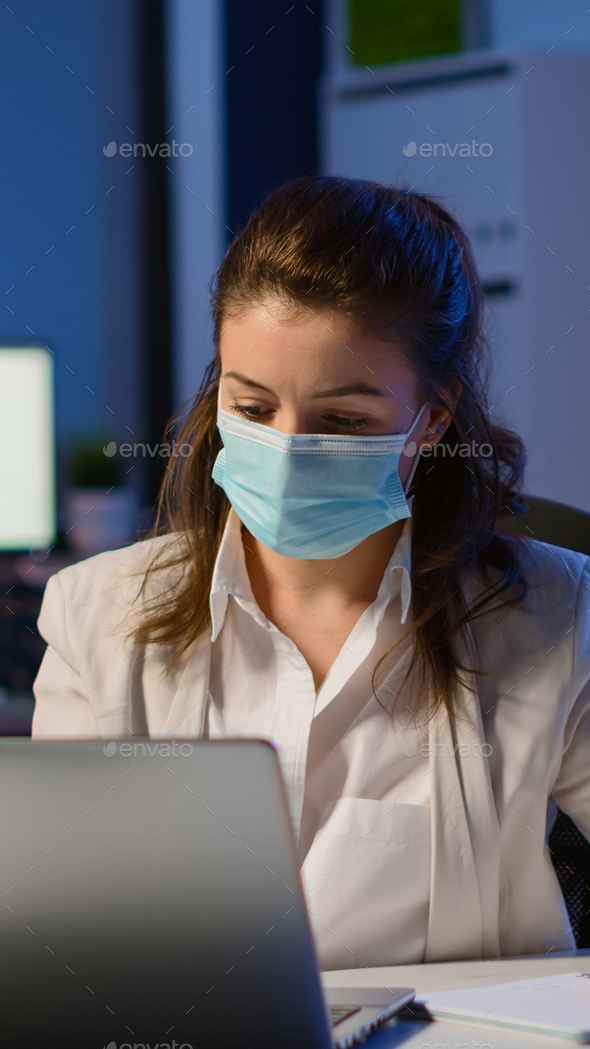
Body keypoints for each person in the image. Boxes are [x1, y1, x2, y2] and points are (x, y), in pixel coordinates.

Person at [33, 177, 590, 970]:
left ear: (432, 419)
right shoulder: (98, 613)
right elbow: (56, 917)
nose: (289, 448)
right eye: (253, 408)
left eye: (342, 420)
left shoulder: (557, 615)